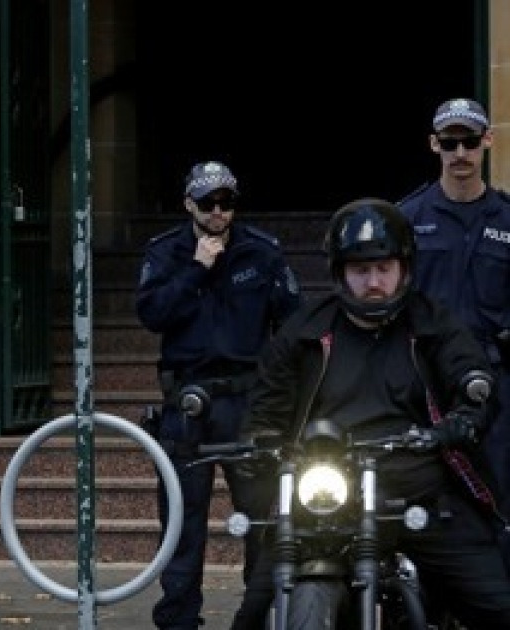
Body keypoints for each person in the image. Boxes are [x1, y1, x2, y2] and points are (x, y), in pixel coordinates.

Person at [229, 199, 510, 629]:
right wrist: (261, 438)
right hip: (324, 495)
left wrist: (466, 412)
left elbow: (470, 376)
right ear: (341, 273)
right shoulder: (305, 332)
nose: (373, 282)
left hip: (420, 489)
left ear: (404, 269)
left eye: (383, 268)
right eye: (360, 271)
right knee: (252, 613)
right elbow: (268, 404)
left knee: (498, 604)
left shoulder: (432, 323)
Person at [135, 160, 302, 630]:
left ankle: (262, 611)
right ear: (189, 203)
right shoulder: (166, 253)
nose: (218, 211)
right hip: (187, 402)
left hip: (247, 401)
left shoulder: (261, 252)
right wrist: (195, 269)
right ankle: (179, 618)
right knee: (183, 521)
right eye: (208, 202)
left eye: (226, 201)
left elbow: (292, 322)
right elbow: (152, 314)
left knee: (262, 515)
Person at [398, 97, 510, 541]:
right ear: (434, 145)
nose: (460, 153)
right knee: (421, 497)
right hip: (424, 378)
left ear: (487, 140)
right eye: (450, 142)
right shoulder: (407, 218)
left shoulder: (507, 218)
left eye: (469, 141)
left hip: (497, 381)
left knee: (500, 498)